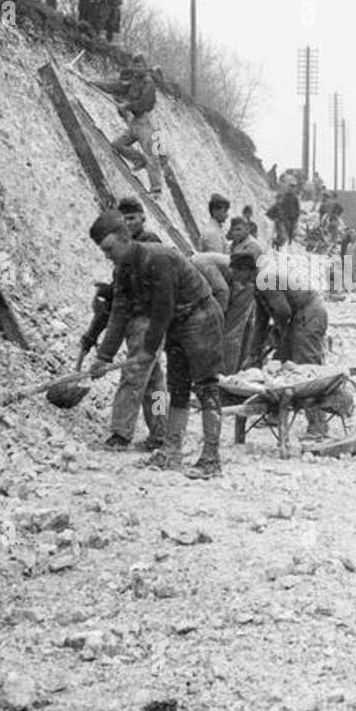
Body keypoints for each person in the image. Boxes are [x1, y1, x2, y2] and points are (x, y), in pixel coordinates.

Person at [88, 211, 226, 479]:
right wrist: (104, 357)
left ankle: (211, 458)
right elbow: (119, 313)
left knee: (206, 387)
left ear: (125, 239)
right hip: (176, 323)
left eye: (109, 249)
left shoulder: (158, 257)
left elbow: (163, 308)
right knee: (178, 387)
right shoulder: (123, 271)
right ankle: (171, 451)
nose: (106, 255)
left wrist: (148, 351)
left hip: (200, 316)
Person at [78, 198, 167, 451]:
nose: (129, 224)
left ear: (142, 218)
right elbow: (119, 305)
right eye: (124, 219)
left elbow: (129, 299)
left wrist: (104, 355)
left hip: (147, 323)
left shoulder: (149, 244)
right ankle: (161, 431)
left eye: (132, 218)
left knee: (134, 376)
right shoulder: (121, 258)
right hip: (142, 322)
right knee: (154, 381)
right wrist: (102, 351)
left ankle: (120, 434)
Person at [252, 257, 330, 438]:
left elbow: (283, 311)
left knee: (306, 367)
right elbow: (261, 321)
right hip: (297, 315)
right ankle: (275, 413)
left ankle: (318, 424)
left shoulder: (265, 280)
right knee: (279, 362)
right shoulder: (258, 286)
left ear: (248, 272)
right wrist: (254, 351)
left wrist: (280, 332)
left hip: (309, 313)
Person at [105, 54, 162, 195]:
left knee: (151, 155)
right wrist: (92, 82)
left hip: (147, 122)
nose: (137, 69)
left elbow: (145, 104)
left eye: (140, 66)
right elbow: (116, 87)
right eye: (135, 66)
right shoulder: (134, 81)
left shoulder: (149, 83)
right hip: (135, 122)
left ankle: (156, 189)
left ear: (145, 66)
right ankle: (139, 160)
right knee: (117, 145)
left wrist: (127, 105)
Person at [193, 251, 257, 373]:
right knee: (233, 333)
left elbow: (222, 290)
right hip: (240, 285)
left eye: (237, 273)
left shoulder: (199, 263)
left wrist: (217, 319)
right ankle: (231, 371)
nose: (235, 275)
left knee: (232, 333)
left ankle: (227, 373)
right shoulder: (202, 264)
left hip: (240, 287)